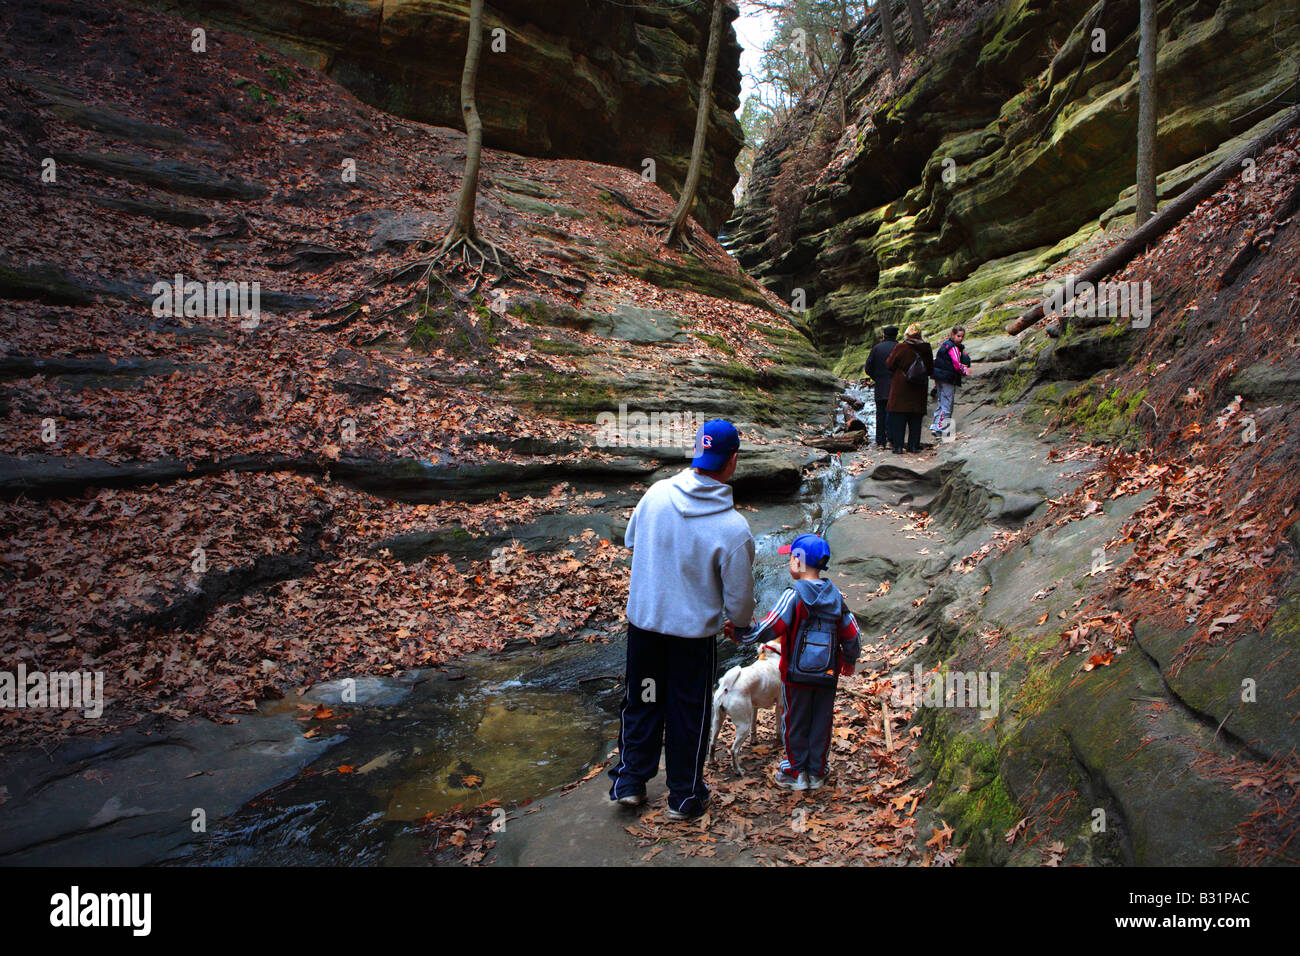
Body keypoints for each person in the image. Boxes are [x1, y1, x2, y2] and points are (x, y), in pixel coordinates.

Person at [609, 419, 756, 821]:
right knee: (687, 710)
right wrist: (739, 626)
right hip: (692, 639)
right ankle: (684, 796)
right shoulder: (733, 528)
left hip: (645, 627)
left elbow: (632, 541)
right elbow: (740, 601)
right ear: (733, 461)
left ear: (696, 453)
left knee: (643, 699)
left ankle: (629, 781)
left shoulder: (656, 495)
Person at [734, 533, 860, 790]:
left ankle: (794, 772)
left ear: (798, 562)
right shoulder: (835, 596)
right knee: (821, 721)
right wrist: (849, 658)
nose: (788, 562)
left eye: (790, 557)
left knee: (794, 720)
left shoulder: (793, 595)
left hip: (795, 674)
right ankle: (816, 771)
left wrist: (740, 633)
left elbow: (770, 627)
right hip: (827, 673)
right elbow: (852, 633)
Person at [885, 324, 934, 453]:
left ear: (908, 334)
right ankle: (913, 446)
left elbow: (889, 364)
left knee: (899, 418)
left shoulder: (901, 347)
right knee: (916, 419)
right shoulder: (926, 348)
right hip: (919, 388)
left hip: (901, 387)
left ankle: (898, 447)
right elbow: (930, 369)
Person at [930, 324, 971, 439]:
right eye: (958, 336)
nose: (960, 338)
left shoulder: (944, 345)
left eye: (962, 336)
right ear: (952, 335)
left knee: (941, 402)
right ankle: (945, 431)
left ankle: (935, 426)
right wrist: (965, 371)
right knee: (947, 403)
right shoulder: (953, 348)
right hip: (948, 378)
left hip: (939, 376)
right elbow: (957, 364)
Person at [863, 325, 898, 449]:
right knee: (894, 414)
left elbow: (868, 368)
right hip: (896, 386)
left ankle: (880, 442)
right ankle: (891, 440)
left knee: (880, 414)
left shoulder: (876, 348)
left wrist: (876, 378)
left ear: (884, 335)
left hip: (880, 386)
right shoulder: (899, 347)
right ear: (896, 335)